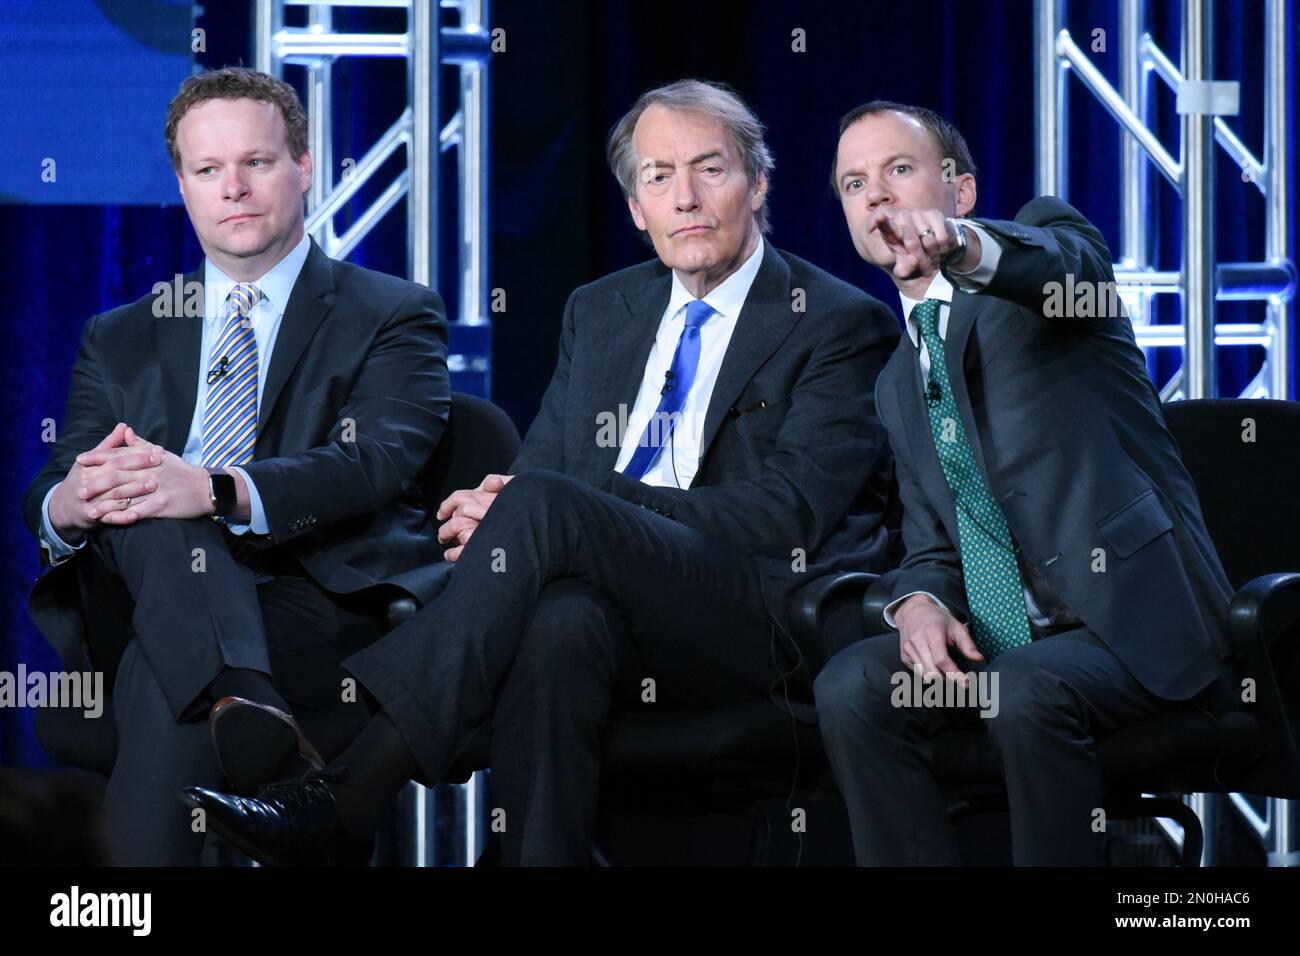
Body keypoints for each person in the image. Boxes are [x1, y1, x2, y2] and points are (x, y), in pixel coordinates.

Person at [182, 79, 900, 866]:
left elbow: (787, 517)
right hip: (606, 604)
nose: (685, 198)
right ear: (635, 207)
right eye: (658, 177)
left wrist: (570, 507)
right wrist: (500, 510)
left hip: (754, 612)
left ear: (758, 184)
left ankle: (354, 787)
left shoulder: (836, 322)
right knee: (561, 623)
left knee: (548, 512)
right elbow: (544, 471)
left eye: (711, 170)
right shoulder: (600, 311)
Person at [22, 67, 450, 865]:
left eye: (256, 162)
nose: (234, 189)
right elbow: (52, 484)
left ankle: (128, 897)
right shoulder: (121, 334)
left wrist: (212, 488)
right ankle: (248, 706)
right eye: (208, 170)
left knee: (166, 660)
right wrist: (71, 504)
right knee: (146, 507)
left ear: (304, 165)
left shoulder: (391, 311)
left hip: (312, 595)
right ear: (183, 187)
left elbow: (376, 462)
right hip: (145, 590)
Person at [814, 101, 1233, 865]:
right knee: (853, 687)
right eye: (853, 184)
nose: (875, 195)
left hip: (1131, 626)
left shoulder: (1045, 275)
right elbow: (937, 542)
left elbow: (1069, 266)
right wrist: (919, 604)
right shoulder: (895, 385)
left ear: (962, 192)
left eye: (898, 171)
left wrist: (965, 250)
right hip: (1004, 643)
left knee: (1028, 690)